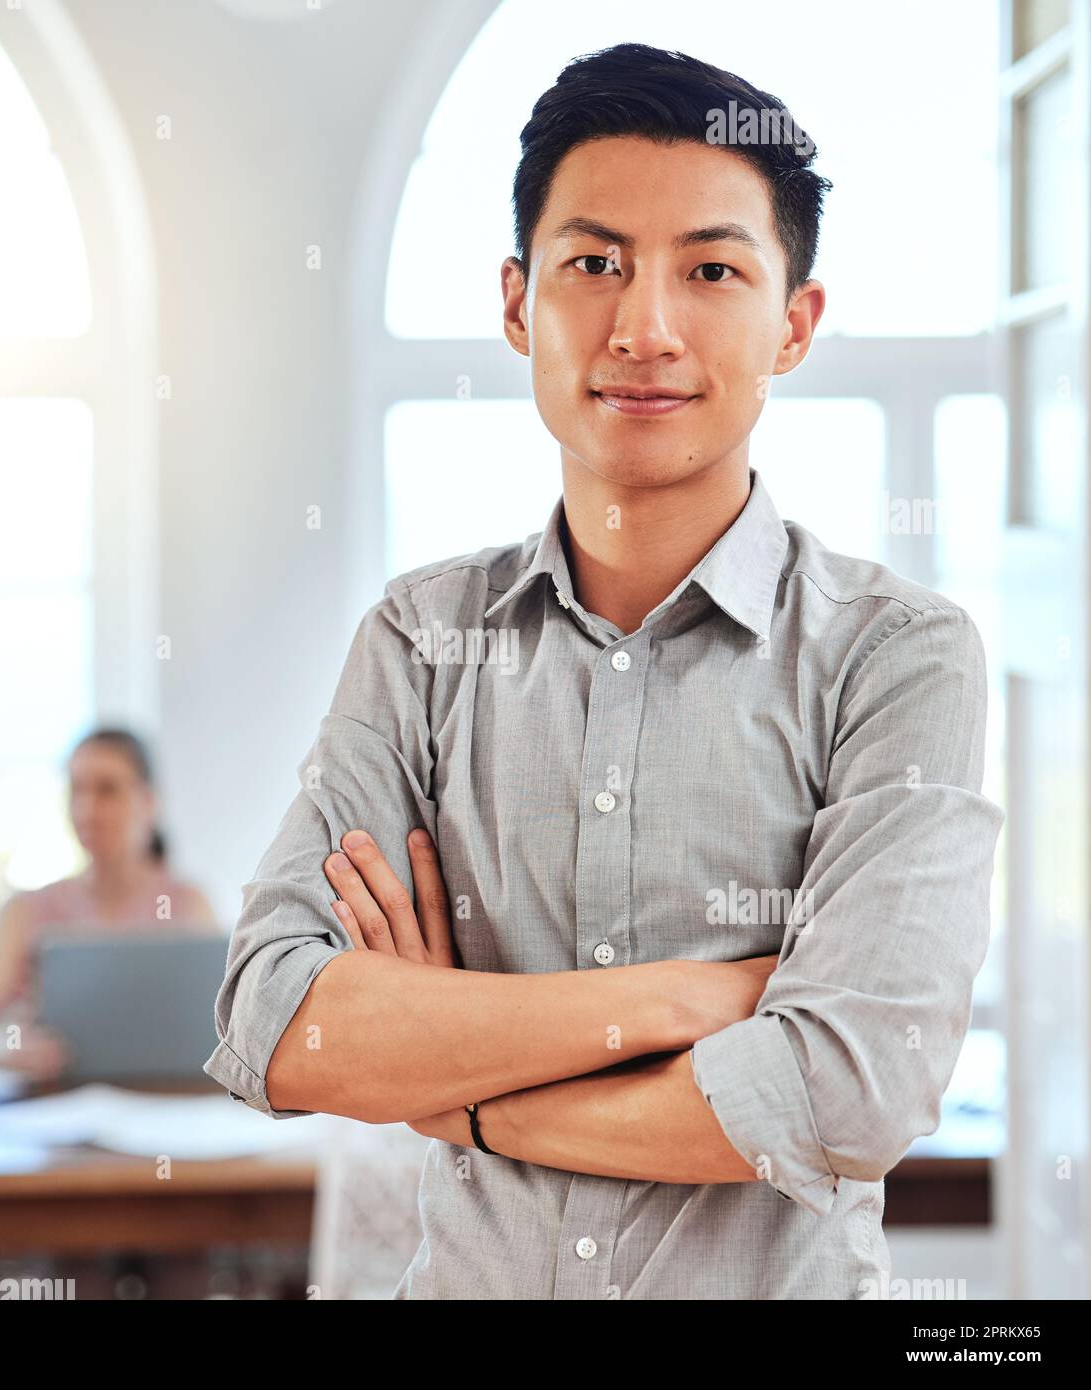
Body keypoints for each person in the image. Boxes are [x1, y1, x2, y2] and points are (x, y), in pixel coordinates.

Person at [204, 44, 1004, 1299]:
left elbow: (848, 1090)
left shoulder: (895, 655)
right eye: (593, 265)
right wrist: (690, 999)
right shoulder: (419, 641)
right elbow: (279, 1022)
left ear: (792, 324)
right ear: (517, 304)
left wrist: (458, 1088)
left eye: (710, 270)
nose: (643, 328)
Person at [0, 727, 218, 1076]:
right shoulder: (25, 910)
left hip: (163, 1095)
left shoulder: (189, 904)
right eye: (77, 791)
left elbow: (218, 1025)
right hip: (51, 1094)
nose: (86, 810)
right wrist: (7, 1046)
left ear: (149, 801)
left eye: (107, 790)